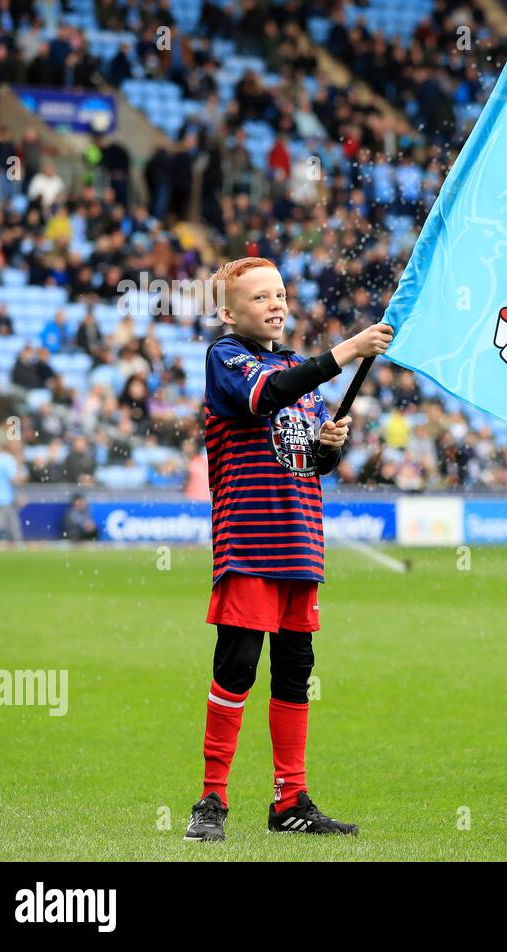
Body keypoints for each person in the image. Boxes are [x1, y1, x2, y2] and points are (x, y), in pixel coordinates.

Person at [184, 256, 393, 842]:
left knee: (295, 673)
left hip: (301, 547)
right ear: (229, 312)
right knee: (237, 667)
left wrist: (328, 446)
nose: (275, 304)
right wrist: (348, 350)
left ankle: (290, 801)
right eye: (259, 298)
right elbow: (266, 396)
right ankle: (212, 801)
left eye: (279, 293)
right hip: (249, 546)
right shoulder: (224, 358)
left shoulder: (300, 368)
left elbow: (305, 463)